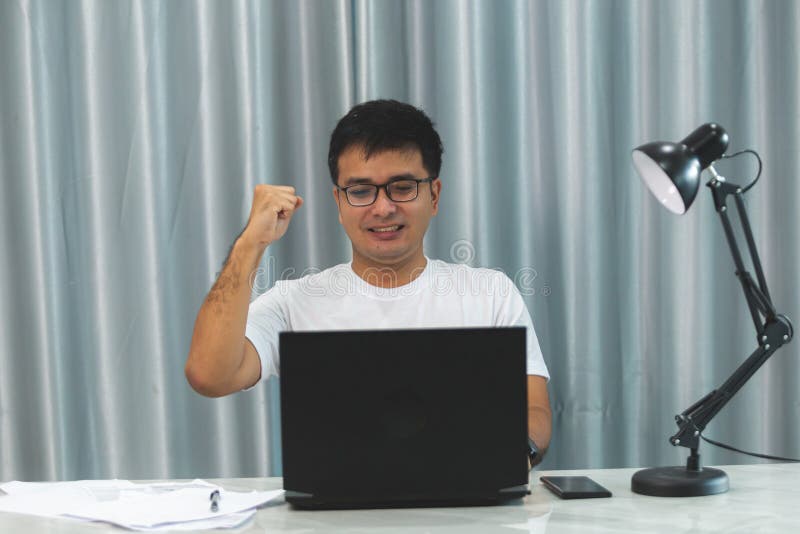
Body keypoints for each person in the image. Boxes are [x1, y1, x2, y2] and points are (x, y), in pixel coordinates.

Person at [185, 99, 552, 466]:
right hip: (334, 517)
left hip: (470, 511)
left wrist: (512, 455)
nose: (382, 208)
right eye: (361, 191)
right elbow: (209, 375)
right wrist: (251, 242)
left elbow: (534, 408)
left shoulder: (490, 293)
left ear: (434, 195)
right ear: (339, 203)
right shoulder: (294, 302)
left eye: (403, 187)